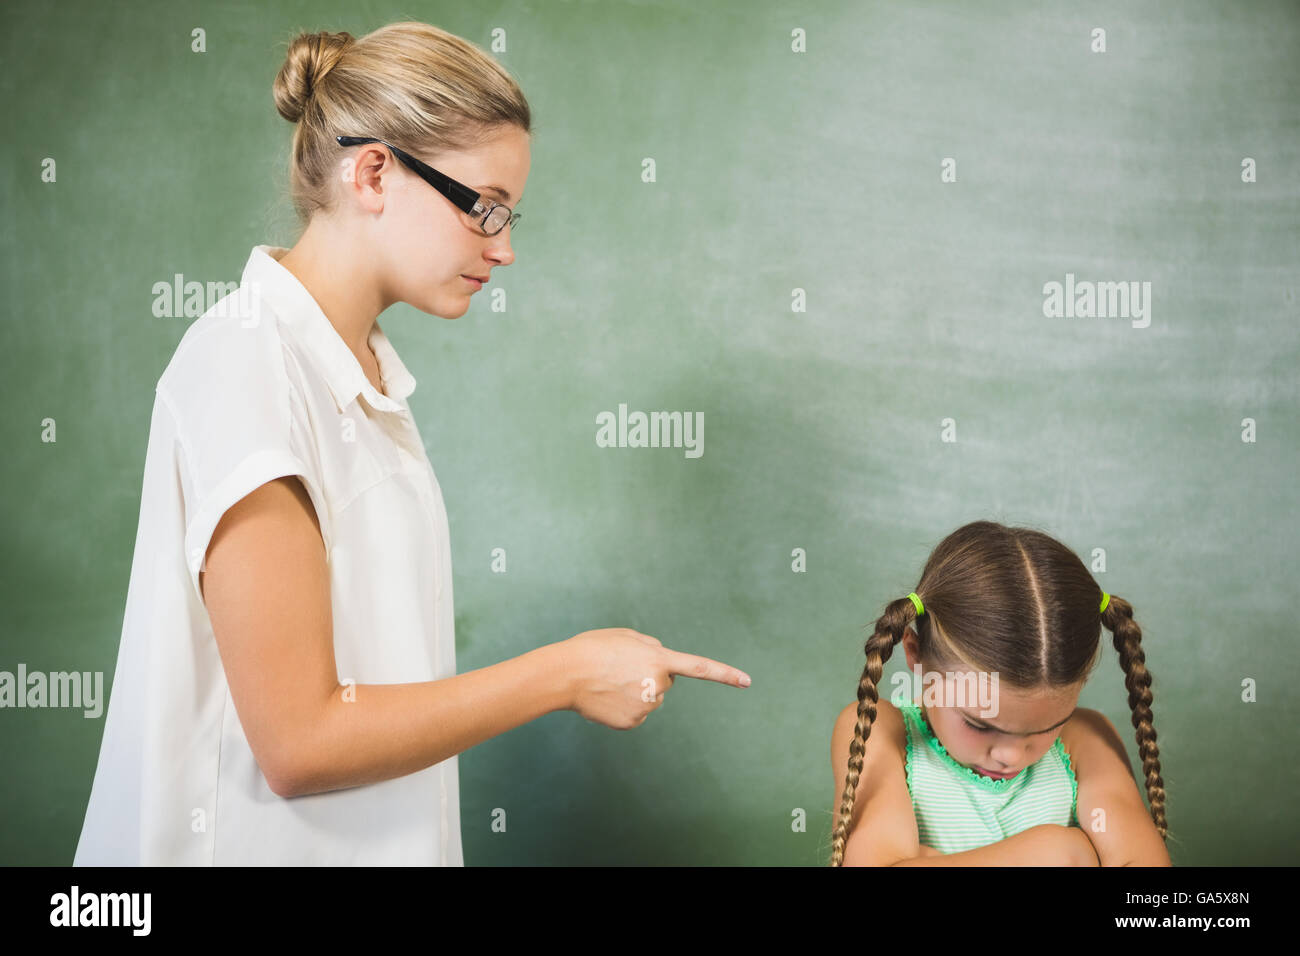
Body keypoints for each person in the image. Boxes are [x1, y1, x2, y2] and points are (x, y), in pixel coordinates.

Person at [73, 21, 750, 866]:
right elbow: (299, 741)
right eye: (486, 207)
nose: (504, 248)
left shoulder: (359, 374)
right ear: (374, 172)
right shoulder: (247, 366)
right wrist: (566, 674)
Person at [828, 520, 1172, 866]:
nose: (1009, 755)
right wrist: (1063, 852)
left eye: (1044, 729)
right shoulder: (882, 733)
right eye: (979, 725)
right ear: (916, 655)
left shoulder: (1085, 740)